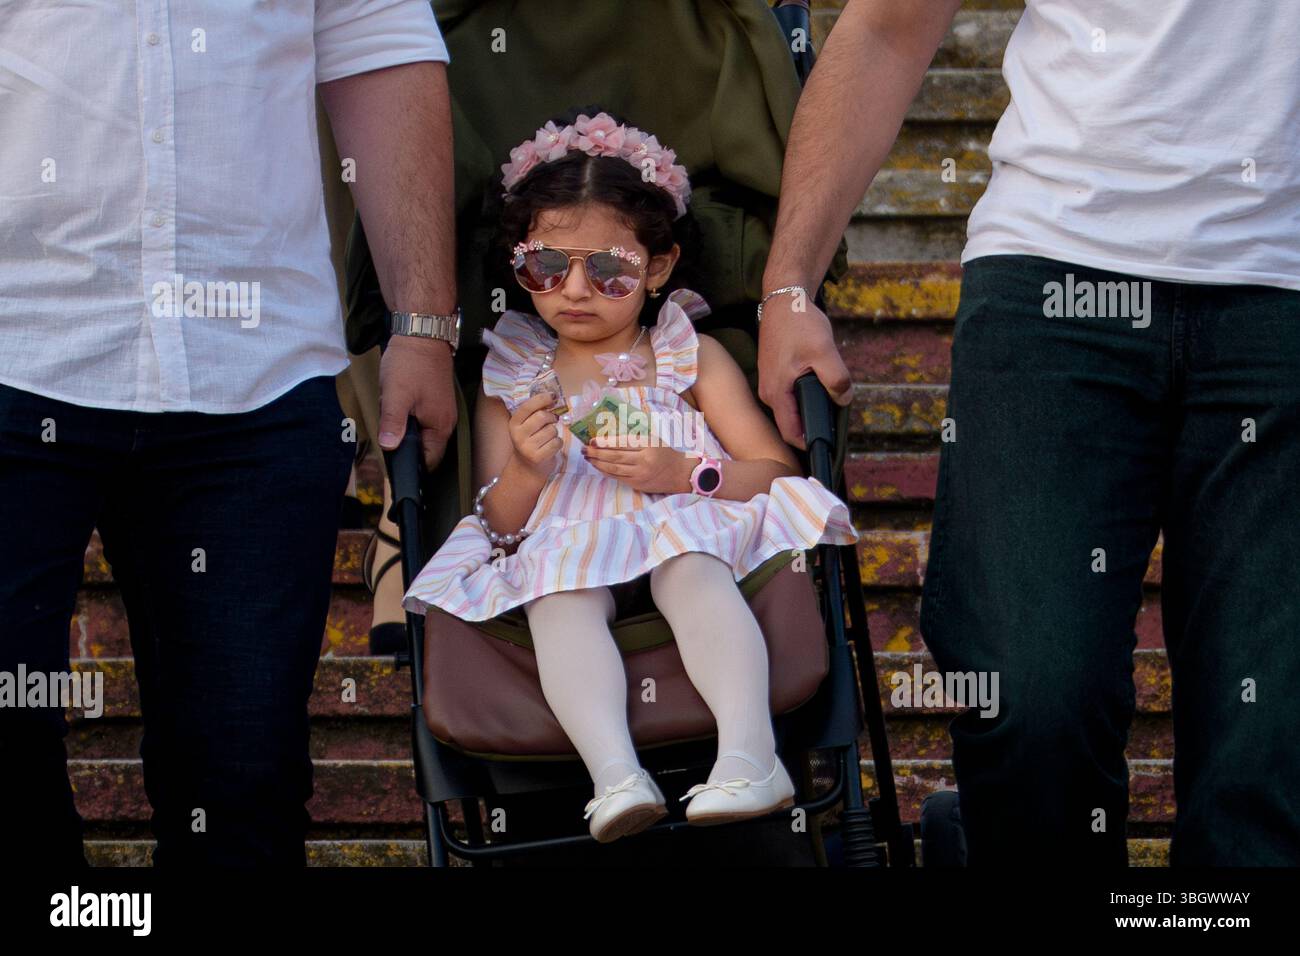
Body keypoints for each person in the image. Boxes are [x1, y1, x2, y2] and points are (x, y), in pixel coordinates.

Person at [760, 0, 1300, 865]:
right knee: (1030, 692)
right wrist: (789, 285)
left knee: (1271, 739)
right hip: (1054, 275)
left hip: (1283, 292)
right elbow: (885, 28)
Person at [0, 0, 458, 865]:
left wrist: (424, 324)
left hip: (255, 369)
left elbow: (383, 46)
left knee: (244, 781)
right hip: (14, 343)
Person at [400, 110, 860, 843]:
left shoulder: (687, 355)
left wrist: (685, 472)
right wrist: (527, 464)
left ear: (658, 268)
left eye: (608, 269)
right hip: (570, 542)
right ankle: (615, 775)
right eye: (546, 267)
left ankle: (751, 754)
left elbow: (774, 473)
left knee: (688, 566)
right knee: (557, 593)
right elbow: (499, 525)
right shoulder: (515, 374)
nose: (574, 289)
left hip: (683, 520)